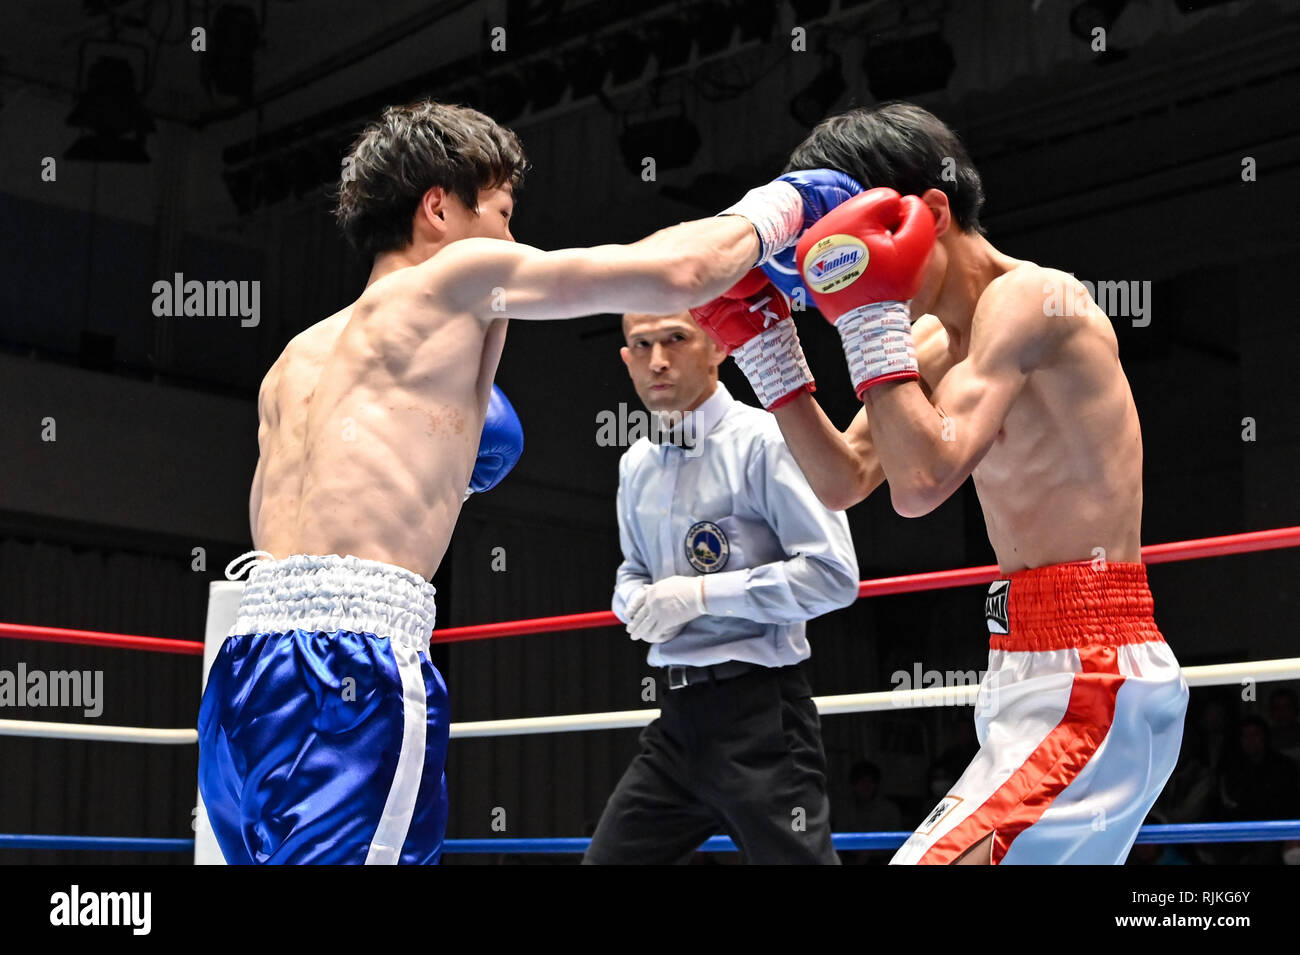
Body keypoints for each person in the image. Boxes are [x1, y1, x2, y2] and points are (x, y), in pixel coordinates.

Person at [197, 97, 864, 864]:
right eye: (504, 212)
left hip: (245, 670)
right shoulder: (458, 278)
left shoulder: (295, 359)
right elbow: (674, 270)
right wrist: (793, 202)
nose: (514, 239)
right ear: (438, 208)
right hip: (351, 669)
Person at [694, 102, 1189, 865]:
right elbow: (845, 478)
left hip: (1093, 675)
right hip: (1029, 667)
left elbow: (922, 481)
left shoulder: (1030, 300)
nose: (839, 270)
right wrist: (772, 357)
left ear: (930, 211)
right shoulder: (930, 338)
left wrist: (867, 322)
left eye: (847, 243)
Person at [583, 308, 858, 864]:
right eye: (642, 345)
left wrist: (702, 595)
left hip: (762, 716)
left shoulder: (766, 441)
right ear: (626, 359)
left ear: (718, 346)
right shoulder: (637, 464)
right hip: (676, 724)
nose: (657, 360)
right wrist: (633, 601)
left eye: (676, 339)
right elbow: (632, 570)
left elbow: (834, 575)